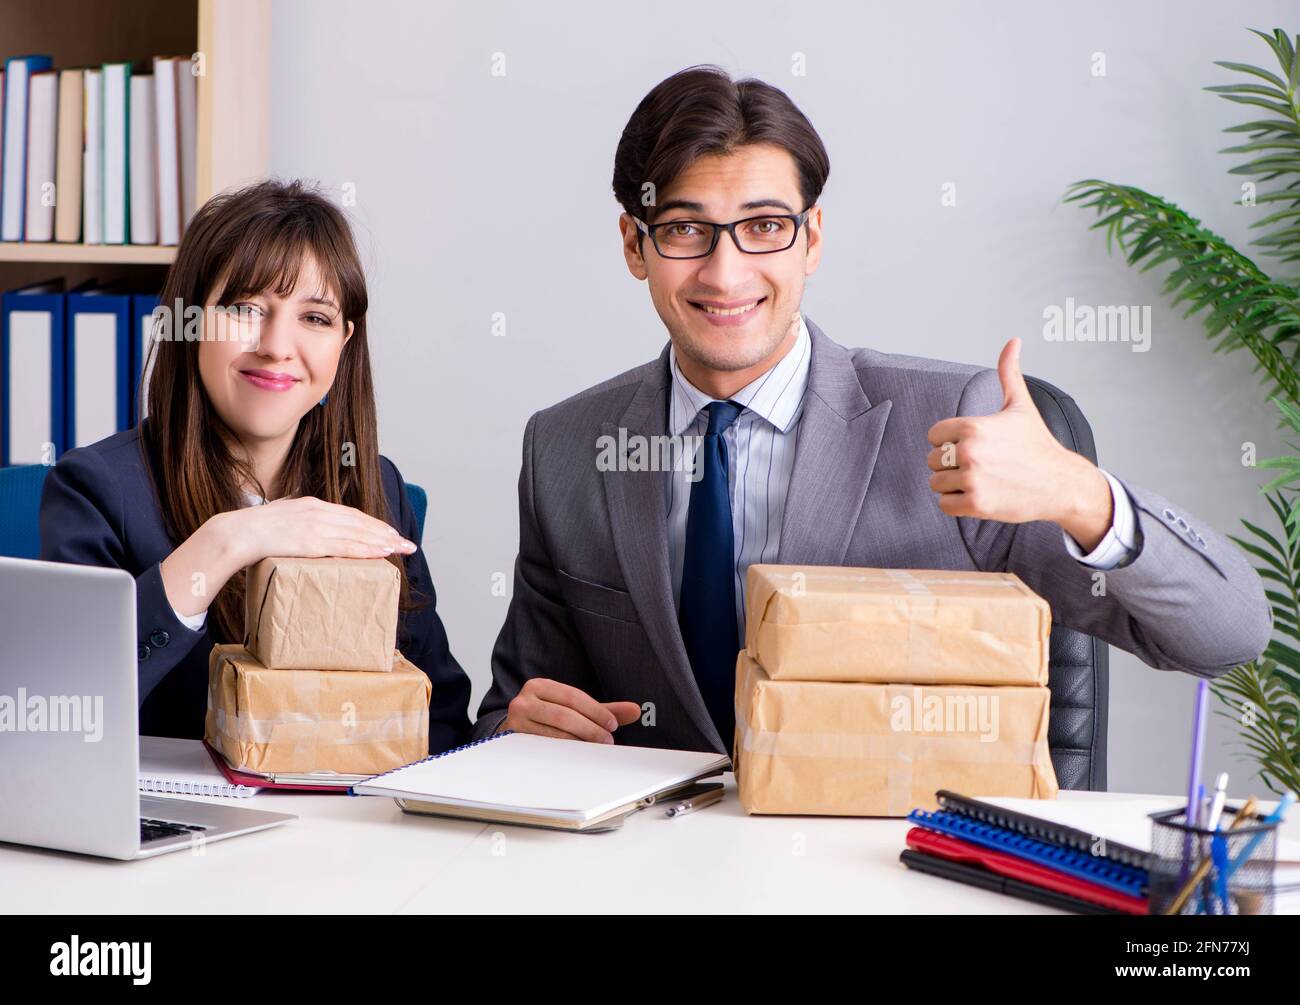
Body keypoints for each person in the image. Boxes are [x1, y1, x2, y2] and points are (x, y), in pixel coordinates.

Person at [472, 66, 1271, 753]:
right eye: (685, 229)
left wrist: (1081, 495)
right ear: (633, 244)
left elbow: (1229, 635)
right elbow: (508, 717)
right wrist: (516, 733)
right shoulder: (569, 446)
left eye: (764, 227)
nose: (725, 271)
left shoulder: (954, 424)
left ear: (811, 240)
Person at [40, 179, 471, 752]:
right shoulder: (98, 491)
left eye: (314, 318)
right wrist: (227, 541)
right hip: (176, 828)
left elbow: (438, 722)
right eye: (246, 308)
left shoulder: (375, 485)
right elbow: (65, 712)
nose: (276, 345)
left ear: (344, 342)